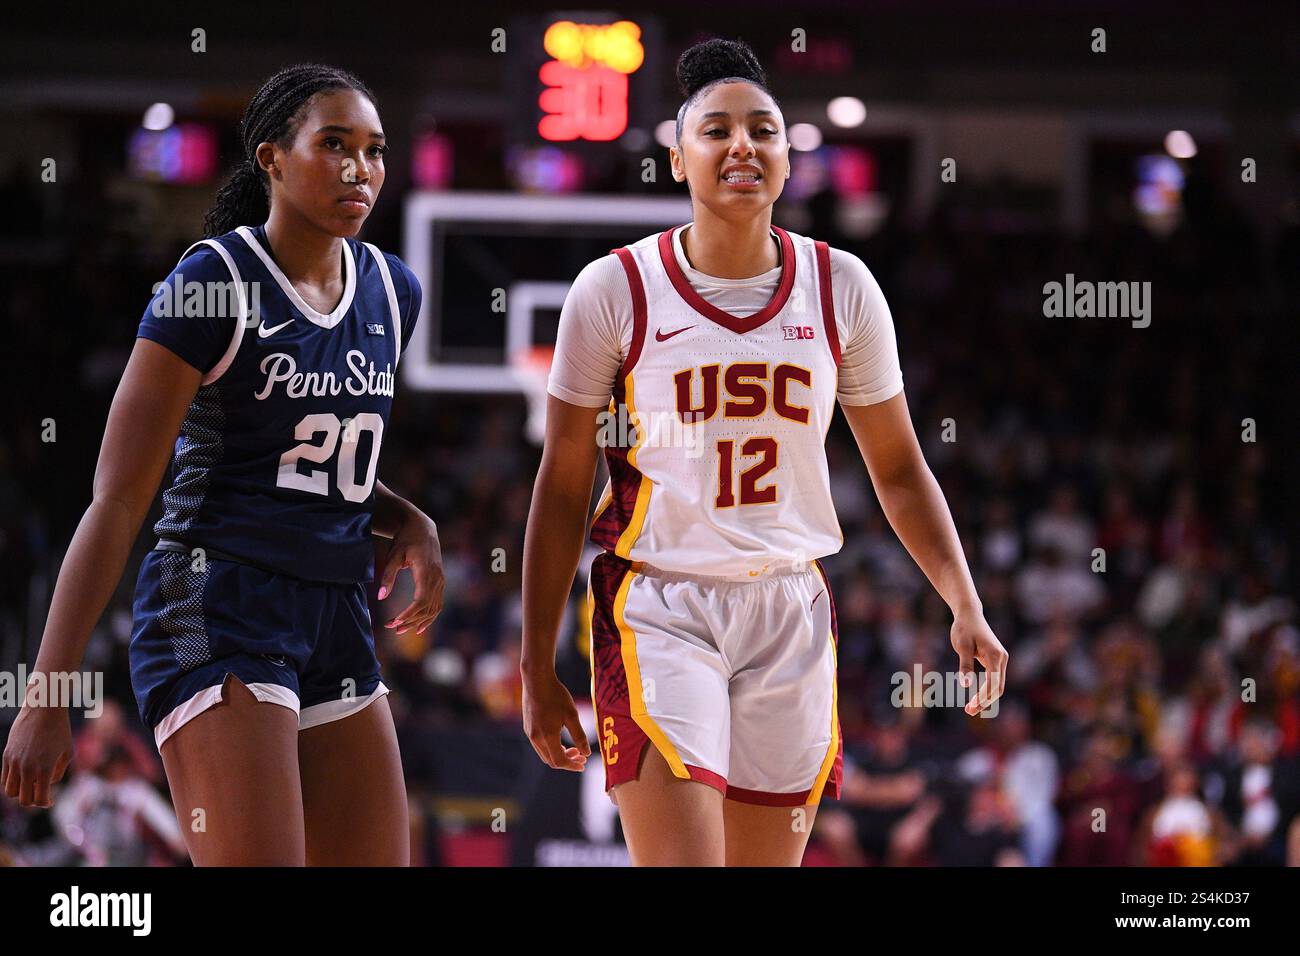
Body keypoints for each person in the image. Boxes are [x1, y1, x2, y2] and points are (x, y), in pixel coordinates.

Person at [520, 38, 1007, 866]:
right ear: (677, 159)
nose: (743, 144)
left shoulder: (841, 285)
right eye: (716, 130)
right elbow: (564, 482)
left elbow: (897, 469)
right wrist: (534, 663)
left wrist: (963, 598)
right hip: (659, 607)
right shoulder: (615, 290)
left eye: (764, 129)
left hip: (790, 610)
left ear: (787, 157)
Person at [1, 64, 444, 866]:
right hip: (215, 599)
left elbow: (300, 452)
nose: (359, 169)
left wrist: (405, 515)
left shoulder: (393, 289)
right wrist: (47, 693)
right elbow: (118, 496)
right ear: (272, 159)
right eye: (334, 144)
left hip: (336, 608)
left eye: (375, 150)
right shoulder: (212, 282)